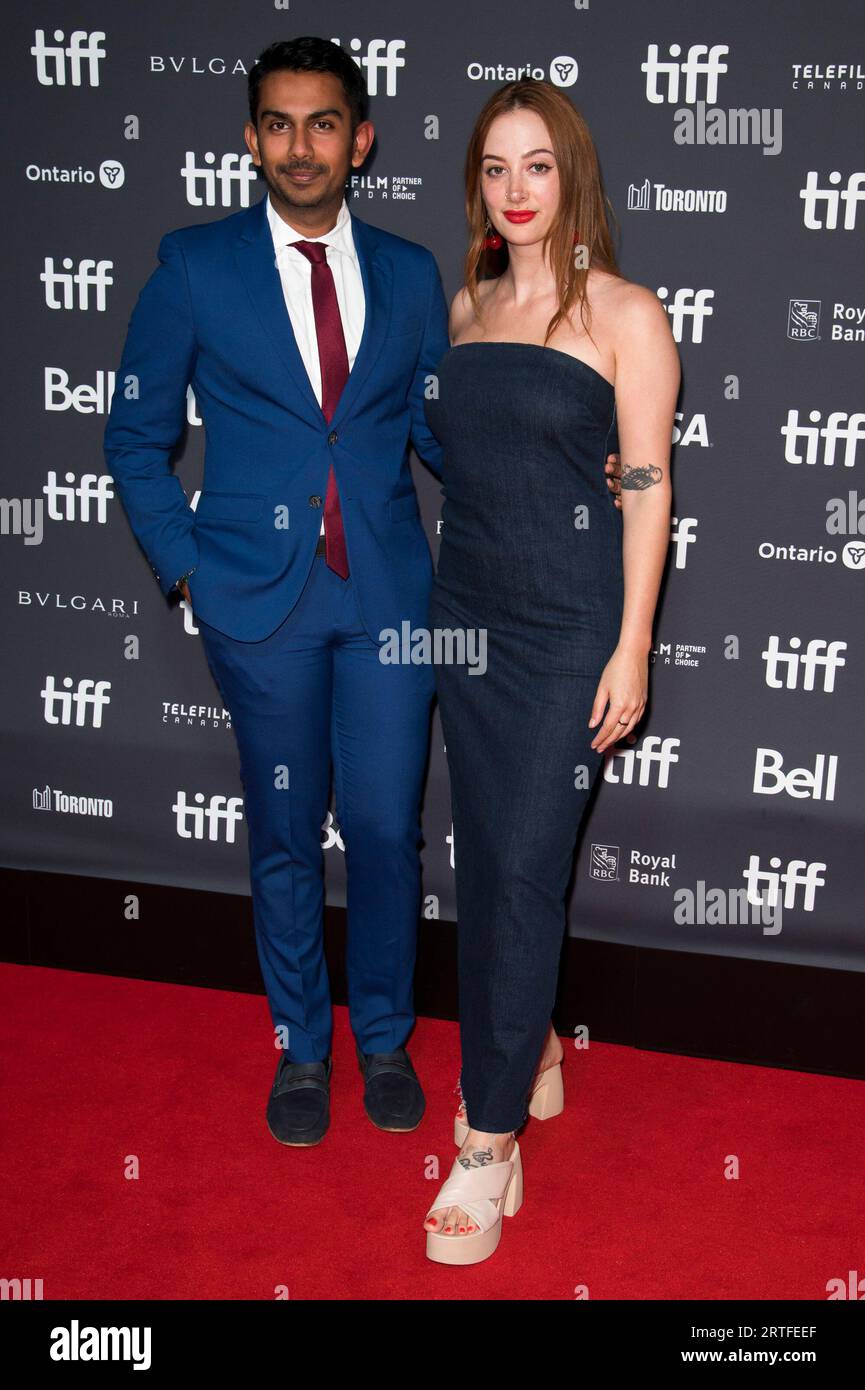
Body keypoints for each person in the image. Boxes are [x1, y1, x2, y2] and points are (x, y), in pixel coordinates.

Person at [103, 39, 625, 1152]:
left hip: (390, 600)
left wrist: (551, 477)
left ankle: (383, 1036)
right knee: (287, 833)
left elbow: (443, 429)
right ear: (251, 139)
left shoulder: (404, 275)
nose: (302, 146)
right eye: (279, 125)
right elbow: (136, 439)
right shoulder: (192, 266)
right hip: (259, 602)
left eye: (324, 123)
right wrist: (187, 572)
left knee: (388, 828)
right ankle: (302, 1044)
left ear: (361, 139)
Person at [422, 78, 679, 1265]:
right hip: (463, 620)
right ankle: (528, 1052)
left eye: (536, 166)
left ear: (570, 176)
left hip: (568, 629)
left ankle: (484, 1145)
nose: (515, 190)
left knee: (523, 869)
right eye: (493, 168)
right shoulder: (465, 310)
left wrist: (630, 642)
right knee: (489, 864)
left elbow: (643, 490)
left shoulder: (624, 312)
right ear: (474, 184)